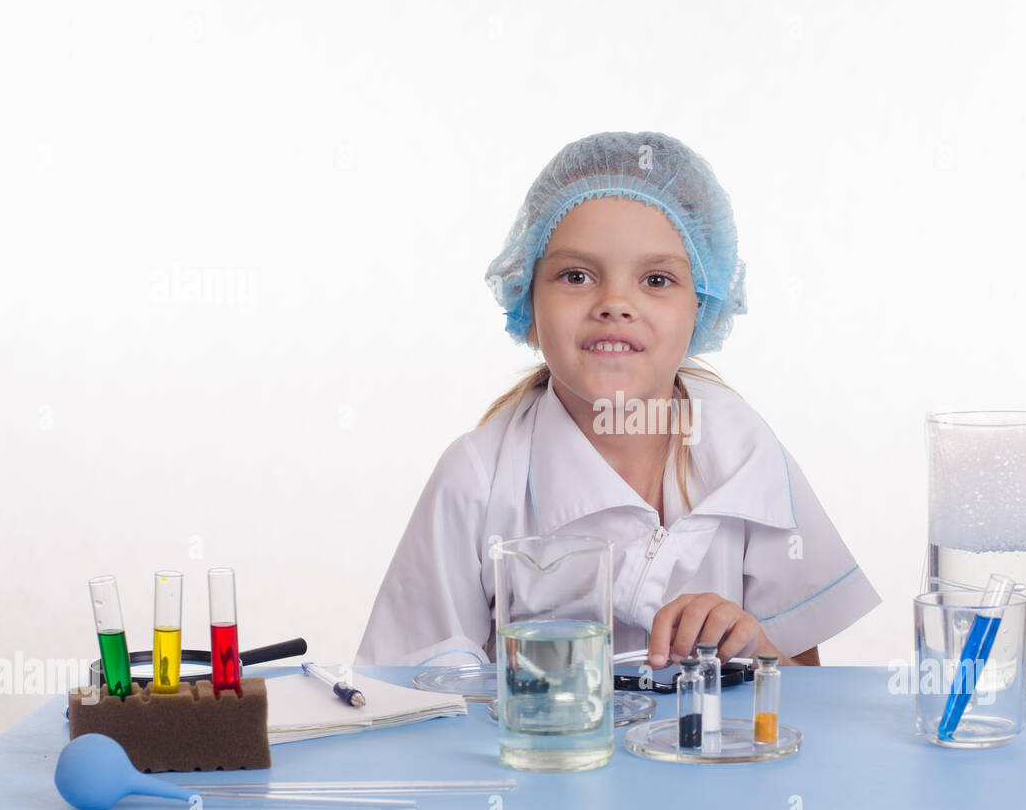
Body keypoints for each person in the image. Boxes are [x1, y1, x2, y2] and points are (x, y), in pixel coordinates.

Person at [355, 131, 881, 670]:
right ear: (527, 303)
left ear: (702, 307)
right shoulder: (476, 480)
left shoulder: (747, 455)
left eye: (656, 279)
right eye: (576, 275)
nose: (615, 304)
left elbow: (805, 694)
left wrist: (755, 652)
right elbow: (407, 695)